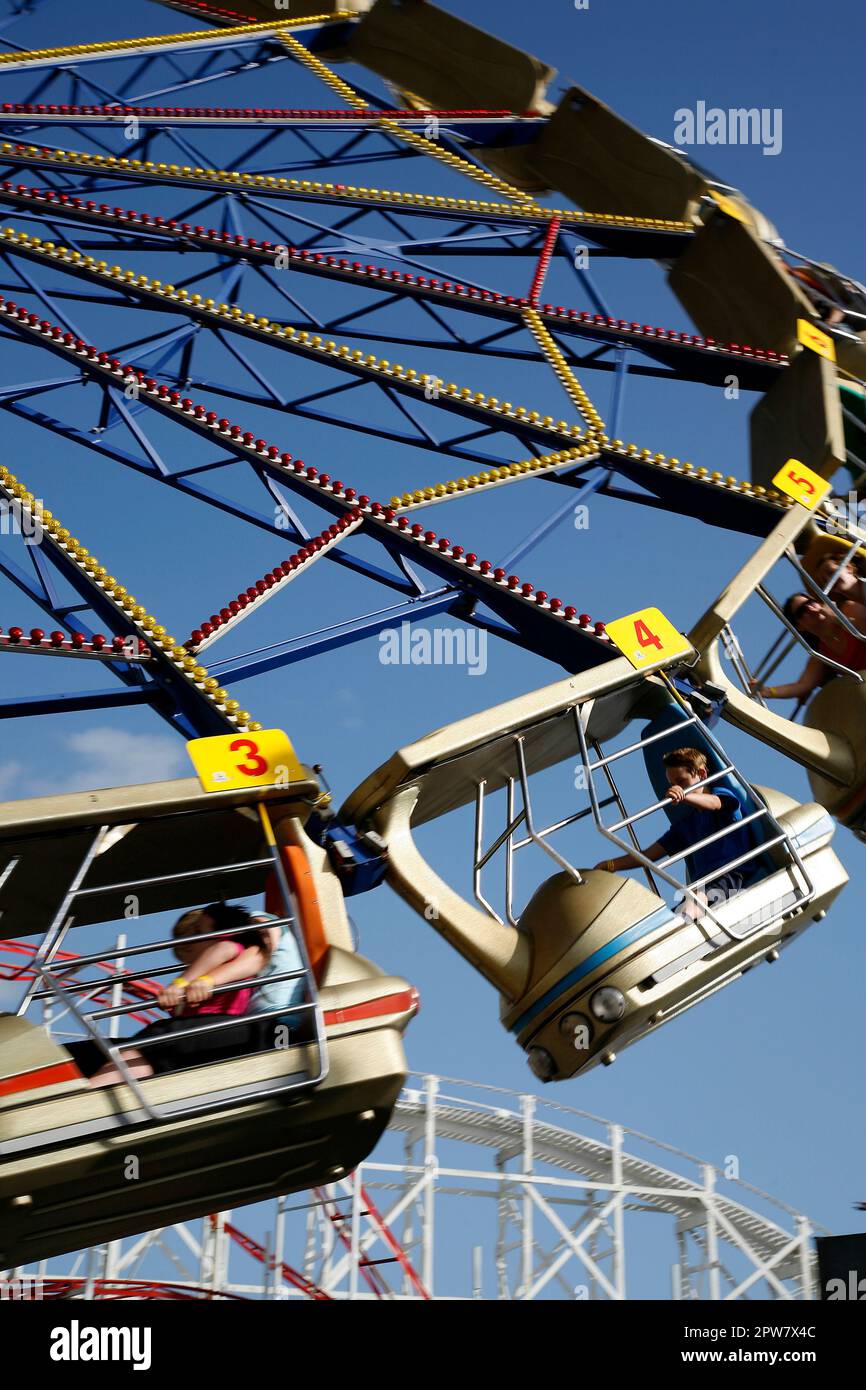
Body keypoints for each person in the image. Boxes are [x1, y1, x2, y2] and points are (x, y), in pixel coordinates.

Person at [88, 902, 273, 1087]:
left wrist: (180, 984)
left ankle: (93, 1089)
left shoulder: (229, 949)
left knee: (152, 1042)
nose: (193, 940)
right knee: (136, 1049)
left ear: (223, 934)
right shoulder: (220, 966)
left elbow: (222, 949)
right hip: (202, 1031)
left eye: (199, 932)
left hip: (212, 1027)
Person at [593, 747, 753, 920]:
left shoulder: (721, 796)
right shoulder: (686, 825)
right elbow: (648, 855)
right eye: (673, 784)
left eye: (682, 781)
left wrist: (684, 796)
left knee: (696, 899)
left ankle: (683, 921)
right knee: (668, 916)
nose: (677, 788)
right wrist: (610, 865)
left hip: (729, 876)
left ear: (701, 774)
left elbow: (714, 803)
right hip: (699, 886)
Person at [752, 590, 866, 704]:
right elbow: (802, 685)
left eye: (811, 602)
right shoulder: (821, 655)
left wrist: (836, 617)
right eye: (802, 611)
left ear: (820, 603)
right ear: (799, 626)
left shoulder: (850, 609)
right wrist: (768, 691)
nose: (810, 609)